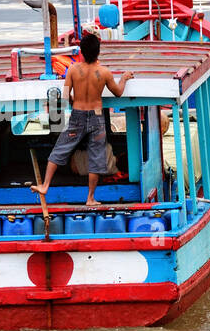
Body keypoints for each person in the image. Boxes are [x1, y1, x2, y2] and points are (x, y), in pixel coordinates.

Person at [30, 34, 133, 206]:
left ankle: (45, 185)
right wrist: (124, 78)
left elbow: (65, 97)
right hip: (96, 117)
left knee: (60, 150)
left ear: (82, 53)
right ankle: (90, 198)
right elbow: (118, 92)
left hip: (77, 114)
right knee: (96, 158)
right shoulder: (104, 72)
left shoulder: (72, 70)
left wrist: (75, 101)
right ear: (98, 52)